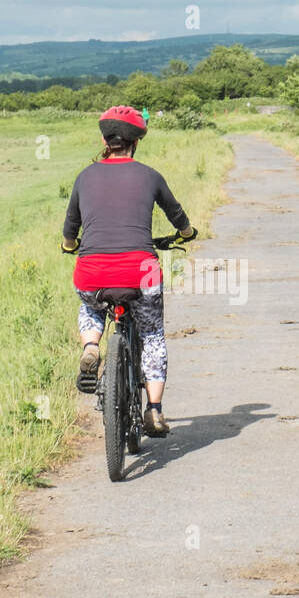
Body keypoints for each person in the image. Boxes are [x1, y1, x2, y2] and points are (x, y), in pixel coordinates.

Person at [62, 106, 197, 437]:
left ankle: (91, 346)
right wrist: (186, 234)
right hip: (142, 271)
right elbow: (177, 216)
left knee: (90, 307)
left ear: (105, 140)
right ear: (137, 141)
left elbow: (70, 228)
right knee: (151, 334)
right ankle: (154, 410)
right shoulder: (150, 176)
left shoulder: (85, 176)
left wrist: (70, 245)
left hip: (92, 270)